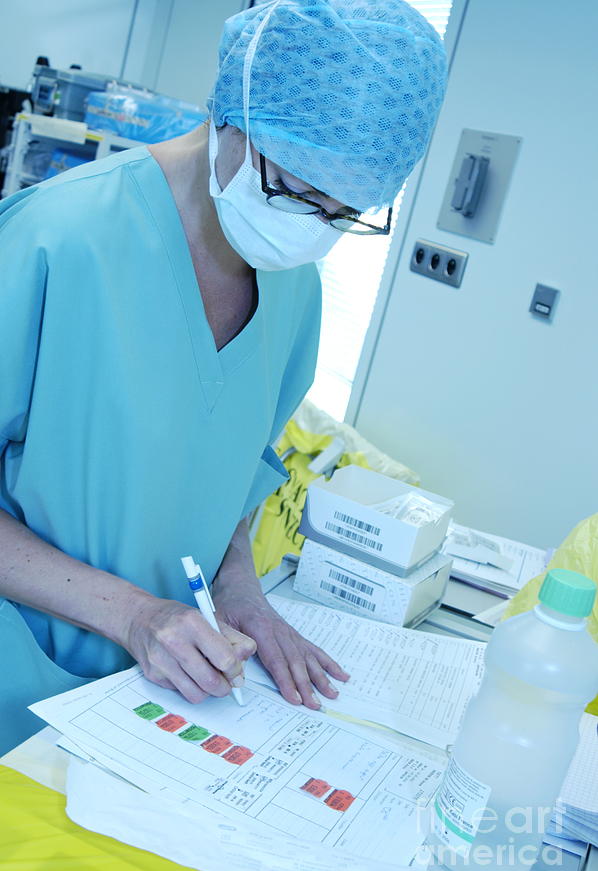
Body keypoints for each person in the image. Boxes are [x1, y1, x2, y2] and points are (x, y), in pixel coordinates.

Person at [0, 0, 447, 754]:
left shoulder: (292, 286)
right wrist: (134, 614)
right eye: (297, 188)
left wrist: (243, 597)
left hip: (161, 691)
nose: (313, 222)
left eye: (346, 211)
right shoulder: (57, 240)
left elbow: (222, 479)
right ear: (236, 110)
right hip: (24, 682)